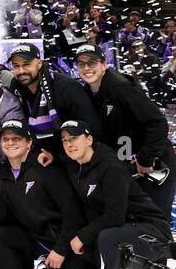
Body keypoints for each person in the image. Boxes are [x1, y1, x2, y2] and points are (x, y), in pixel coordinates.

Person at [0, 119, 98, 269]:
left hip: (69, 245)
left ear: (29, 143)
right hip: (37, 244)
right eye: (5, 139)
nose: (10, 143)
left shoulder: (45, 168)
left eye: (16, 138)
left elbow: (73, 214)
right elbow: (2, 218)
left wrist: (60, 250)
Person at [59, 119, 173, 269]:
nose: (69, 144)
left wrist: (83, 237)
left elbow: (114, 216)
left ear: (89, 139)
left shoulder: (110, 167)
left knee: (109, 236)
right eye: (65, 140)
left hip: (151, 230)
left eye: (74, 138)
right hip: (128, 233)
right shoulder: (76, 166)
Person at [72, 42, 176, 220]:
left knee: (155, 222)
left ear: (104, 64)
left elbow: (157, 123)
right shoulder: (88, 93)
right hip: (128, 163)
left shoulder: (121, 88)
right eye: (82, 64)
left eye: (92, 63)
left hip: (155, 163)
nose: (87, 68)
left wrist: (146, 158)